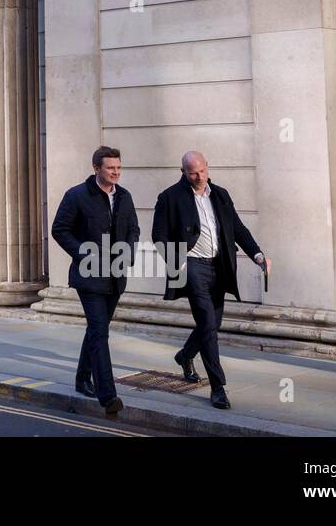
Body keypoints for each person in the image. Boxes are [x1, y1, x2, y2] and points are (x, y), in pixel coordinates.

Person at [151, 150, 268, 410]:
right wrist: (175, 260)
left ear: (207, 167)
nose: (199, 176)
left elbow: (237, 228)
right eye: (192, 172)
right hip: (191, 265)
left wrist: (258, 255)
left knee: (212, 324)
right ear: (183, 172)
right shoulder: (170, 197)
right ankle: (218, 387)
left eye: (202, 170)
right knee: (206, 321)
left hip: (220, 266)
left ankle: (185, 355)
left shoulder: (221, 195)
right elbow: (158, 235)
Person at [51, 145, 139, 416]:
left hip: (115, 278)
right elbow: (59, 230)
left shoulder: (124, 196)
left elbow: (133, 229)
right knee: (100, 332)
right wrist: (82, 253)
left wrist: (129, 252)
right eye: (110, 167)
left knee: (95, 329)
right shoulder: (77, 195)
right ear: (96, 168)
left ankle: (81, 378)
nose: (116, 172)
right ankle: (107, 395)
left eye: (119, 167)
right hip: (88, 277)